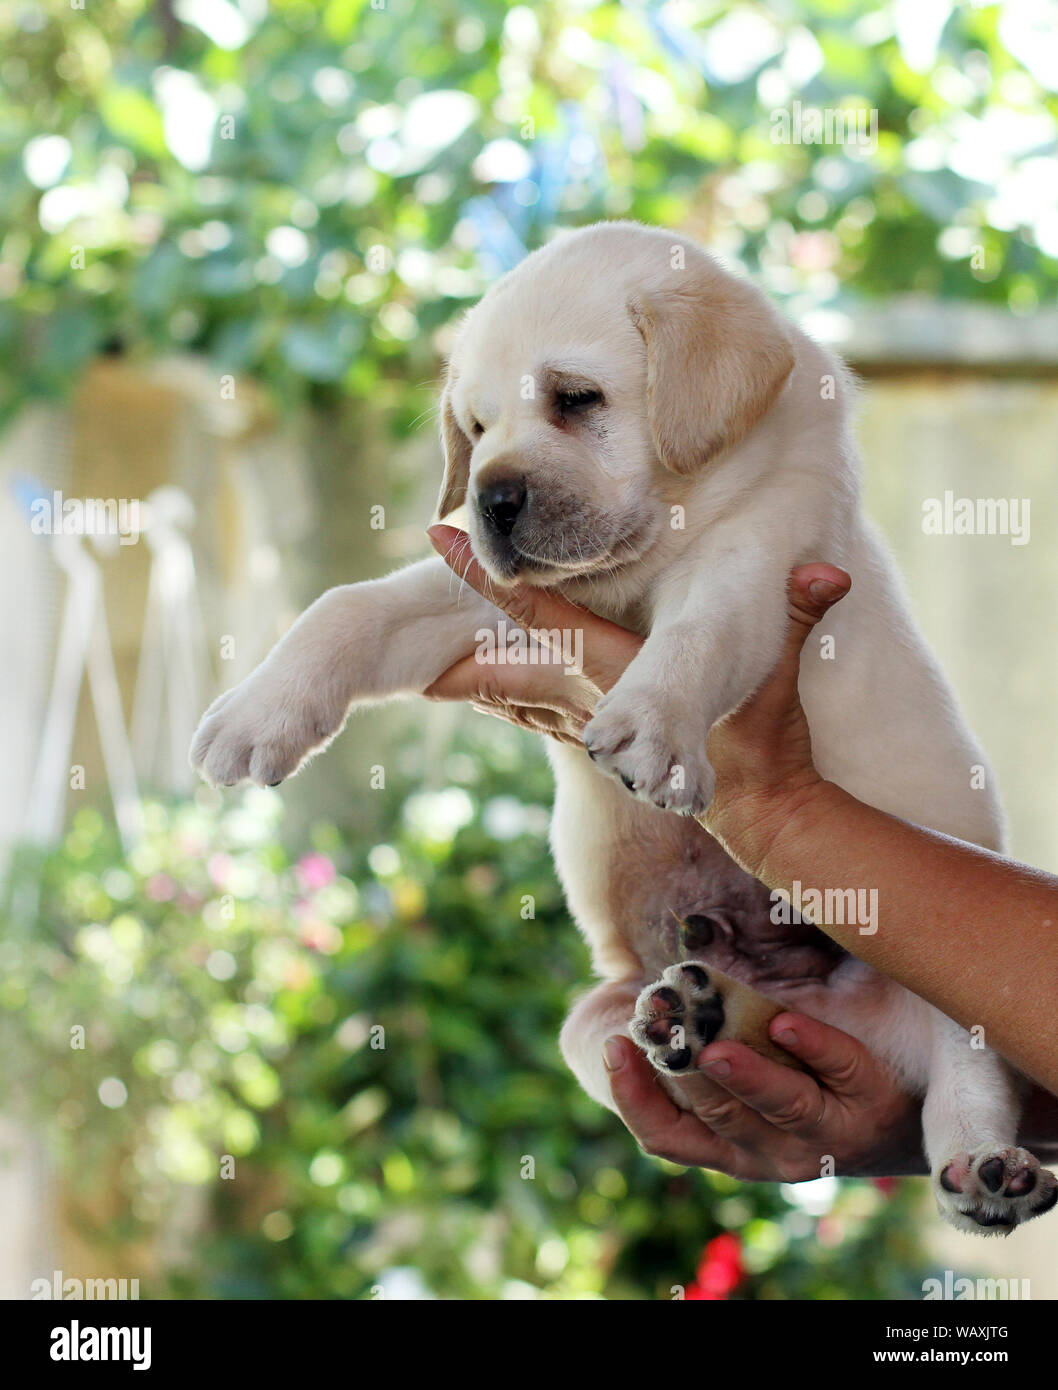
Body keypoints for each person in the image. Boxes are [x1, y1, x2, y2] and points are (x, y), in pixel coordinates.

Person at [423, 523, 1058, 1179]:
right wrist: (878, 1121)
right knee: (595, 1028)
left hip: (852, 963)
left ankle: (964, 1140)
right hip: (762, 972)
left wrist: (772, 808)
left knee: (949, 1023)